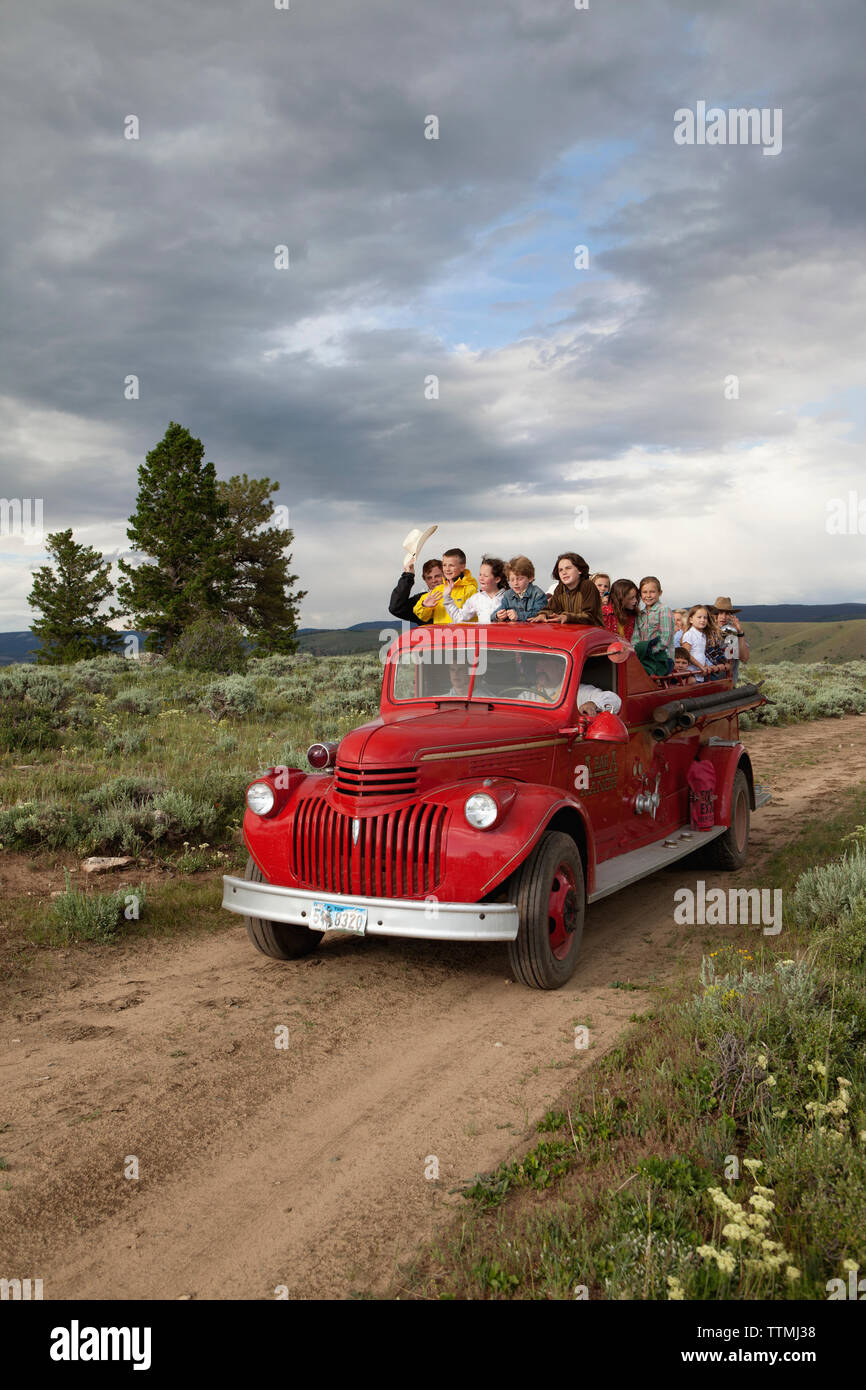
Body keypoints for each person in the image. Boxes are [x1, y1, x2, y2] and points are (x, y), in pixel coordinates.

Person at [532, 553, 604, 626]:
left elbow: (589, 616)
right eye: (560, 570)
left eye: (568, 568)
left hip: (593, 632)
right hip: (570, 632)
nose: (564, 572)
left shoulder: (588, 586)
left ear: (580, 570)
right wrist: (543, 615)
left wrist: (567, 617)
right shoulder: (560, 589)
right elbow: (550, 609)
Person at [413, 548, 478, 624]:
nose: (447, 569)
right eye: (444, 565)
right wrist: (425, 605)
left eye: (451, 565)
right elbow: (422, 616)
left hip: (462, 635)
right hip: (441, 635)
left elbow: (471, 618)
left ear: (462, 567)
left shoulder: (470, 590)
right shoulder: (438, 590)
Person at [443, 556, 507, 623]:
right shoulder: (476, 598)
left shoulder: (509, 597)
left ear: (497, 579)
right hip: (484, 633)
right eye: (480, 574)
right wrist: (447, 597)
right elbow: (459, 618)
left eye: (485, 576)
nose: (481, 578)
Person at [389, 556, 443, 625]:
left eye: (437, 576)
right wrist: (408, 576)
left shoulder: (457, 594)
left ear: (445, 575)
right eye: (429, 578)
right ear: (425, 580)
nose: (434, 580)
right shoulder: (420, 601)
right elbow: (396, 608)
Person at [634, 576, 676, 667]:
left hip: (663, 658)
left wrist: (648, 651)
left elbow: (665, 639)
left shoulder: (664, 610)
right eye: (644, 592)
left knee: (646, 674)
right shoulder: (639, 615)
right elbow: (635, 638)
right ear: (640, 594)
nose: (648, 596)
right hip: (644, 658)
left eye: (652, 592)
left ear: (660, 593)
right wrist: (638, 651)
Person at [495, 556, 549, 621]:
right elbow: (493, 615)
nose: (515, 583)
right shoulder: (507, 595)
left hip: (532, 630)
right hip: (514, 630)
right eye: (512, 580)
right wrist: (497, 615)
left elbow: (539, 614)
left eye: (520, 579)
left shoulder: (538, 594)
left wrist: (518, 615)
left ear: (530, 578)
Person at [680, 605, 726, 682]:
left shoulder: (703, 636)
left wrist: (706, 666)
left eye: (705, 618)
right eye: (699, 617)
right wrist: (700, 666)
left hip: (700, 673)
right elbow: (686, 655)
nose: (703, 620)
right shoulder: (689, 634)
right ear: (691, 619)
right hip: (692, 673)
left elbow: (700, 655)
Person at [712, 596, 750, 685]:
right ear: (714, 614)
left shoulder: (734, 632)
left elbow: (744, 658)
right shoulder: (706, 632)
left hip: (728, 683)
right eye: (720, 613)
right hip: (708, 681)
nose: (723, 617)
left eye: (727, 613)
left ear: (731, 616)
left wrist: (740, 633)